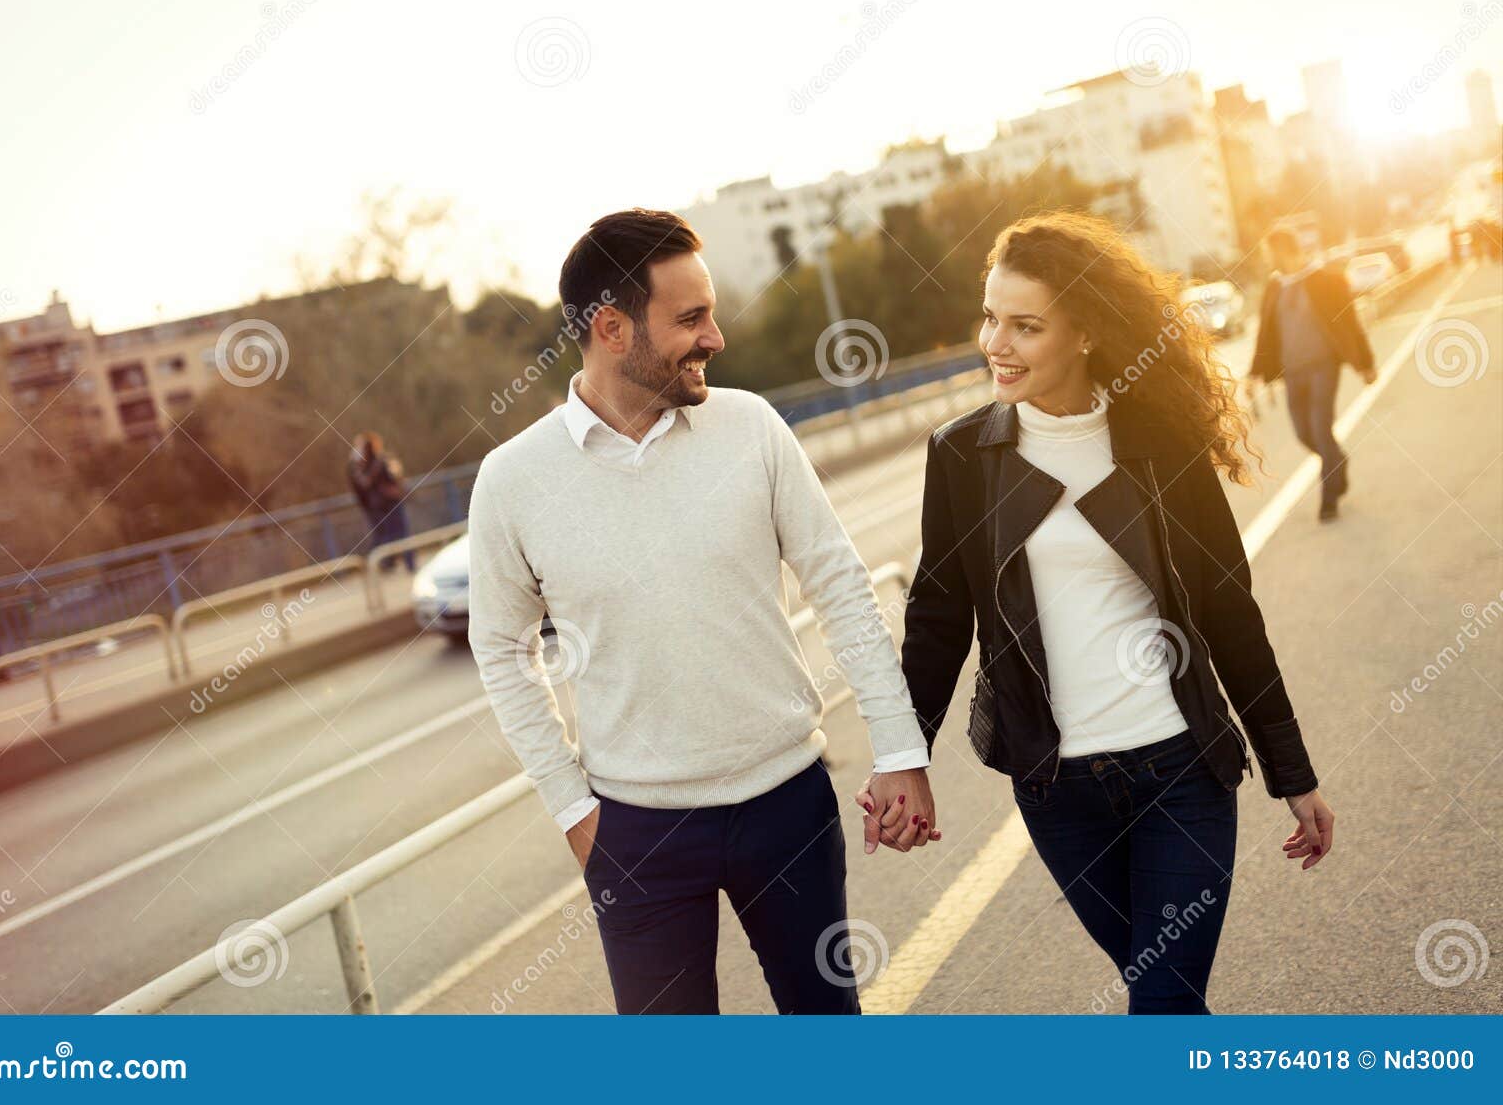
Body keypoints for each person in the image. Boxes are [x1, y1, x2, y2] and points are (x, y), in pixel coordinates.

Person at [466, 208, 938, 1015]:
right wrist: (574, 810)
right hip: (636, 837)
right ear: (612, 328)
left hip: (787, 804)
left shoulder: (751, 427)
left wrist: (900, 748)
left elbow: (840, 585)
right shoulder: (512, 480)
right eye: (690, 319)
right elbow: (505, 653)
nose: (714, 337)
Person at [862, 211, 1335, 1014]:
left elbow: (1229, 609)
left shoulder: (1161, 441)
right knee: (1168, 1002)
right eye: (990, 317)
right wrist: (901, 757)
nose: (995, 343)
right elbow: (938, 617)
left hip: (1179, 770)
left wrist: (1294, 773)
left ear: (1085, 333)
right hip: (1059, 793)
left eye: (1026, 326)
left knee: (1162, 1000)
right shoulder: (963, 456)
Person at [1242, 226, 1377, 522]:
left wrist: (1366, 363)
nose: (1267, 260)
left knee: (1320, 429)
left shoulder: (1324, 280)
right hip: (1292, 373)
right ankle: (1337, 461)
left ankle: (1329, 498)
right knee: (1303, 433)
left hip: (1323, 367)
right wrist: (1253, 375)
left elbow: (1350, 322)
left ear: (1284, 251)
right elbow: (1265, 335)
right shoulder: (1274, 287)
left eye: (1270, 254)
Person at [348, 432, 415, 572]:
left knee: (393, 534)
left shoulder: (375, 462)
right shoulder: (368, 464)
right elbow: (365, 484)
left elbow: (392, 477)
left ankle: (397, 563)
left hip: (384, 504)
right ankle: (394, 563)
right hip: (382, 505)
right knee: (393, 534)